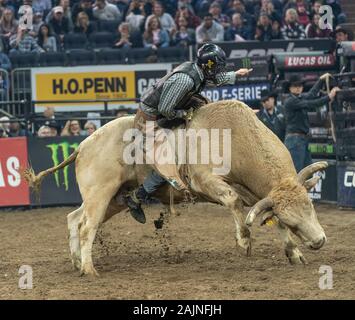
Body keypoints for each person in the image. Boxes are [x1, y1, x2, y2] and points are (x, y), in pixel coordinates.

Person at [126, 43, 252, 224]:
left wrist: (235, 74)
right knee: (170, 161)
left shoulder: (198, 71)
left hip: (163, 111)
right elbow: (165, 108)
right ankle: (137, 197)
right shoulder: (186, 80)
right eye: (216, 66)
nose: (218, 70)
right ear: (208, 65)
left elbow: (213, 79)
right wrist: (184, 114)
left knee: (203, 104)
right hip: (149, 118)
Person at [284, 74, 340, 172]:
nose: (298, 88)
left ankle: (303, 187)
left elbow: (311, 94)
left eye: (300, 86)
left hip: (302, 139)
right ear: (290, 88)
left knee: (307, 170)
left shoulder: (299, 98)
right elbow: (310, 103)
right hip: (295, 140)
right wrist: (329, 97)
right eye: (295, 86)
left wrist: (320, 80)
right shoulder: (290, 101)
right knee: (297, 171)